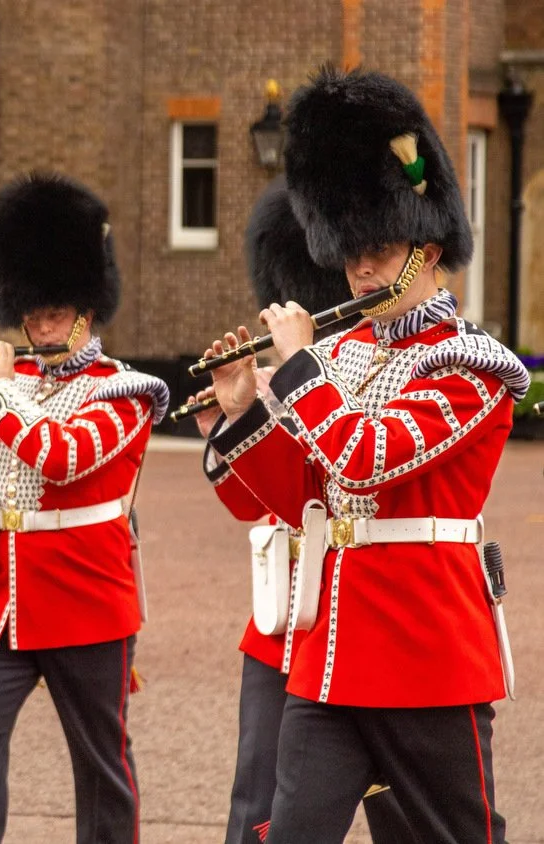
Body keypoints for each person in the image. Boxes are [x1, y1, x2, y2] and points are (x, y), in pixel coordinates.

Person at [204, 66, 526, 844]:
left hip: (427, 655)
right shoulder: (343, 352)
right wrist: (243, 408)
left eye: (377, 249)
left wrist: (302, 370)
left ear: (427, 245)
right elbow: (295, 499)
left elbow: (367, 455)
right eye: (350, 253)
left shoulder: (472, 363)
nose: (361, 270)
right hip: (331, 655)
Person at [0, 172, 168, 844]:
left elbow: (61, 457)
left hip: (86, 601)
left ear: (86, 312)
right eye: (31, 315)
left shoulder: (126, 391)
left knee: (100, 764)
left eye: (52, 315)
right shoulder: (13, 380)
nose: (38, 327)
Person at [197, 177, 416, 844]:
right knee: (259, 804)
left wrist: (294, 381)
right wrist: (229, 421)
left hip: (375, 614)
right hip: (286, 617)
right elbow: (252, 501)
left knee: (403, 811)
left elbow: (363, 466)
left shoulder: (381, 370)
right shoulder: (286, 376)